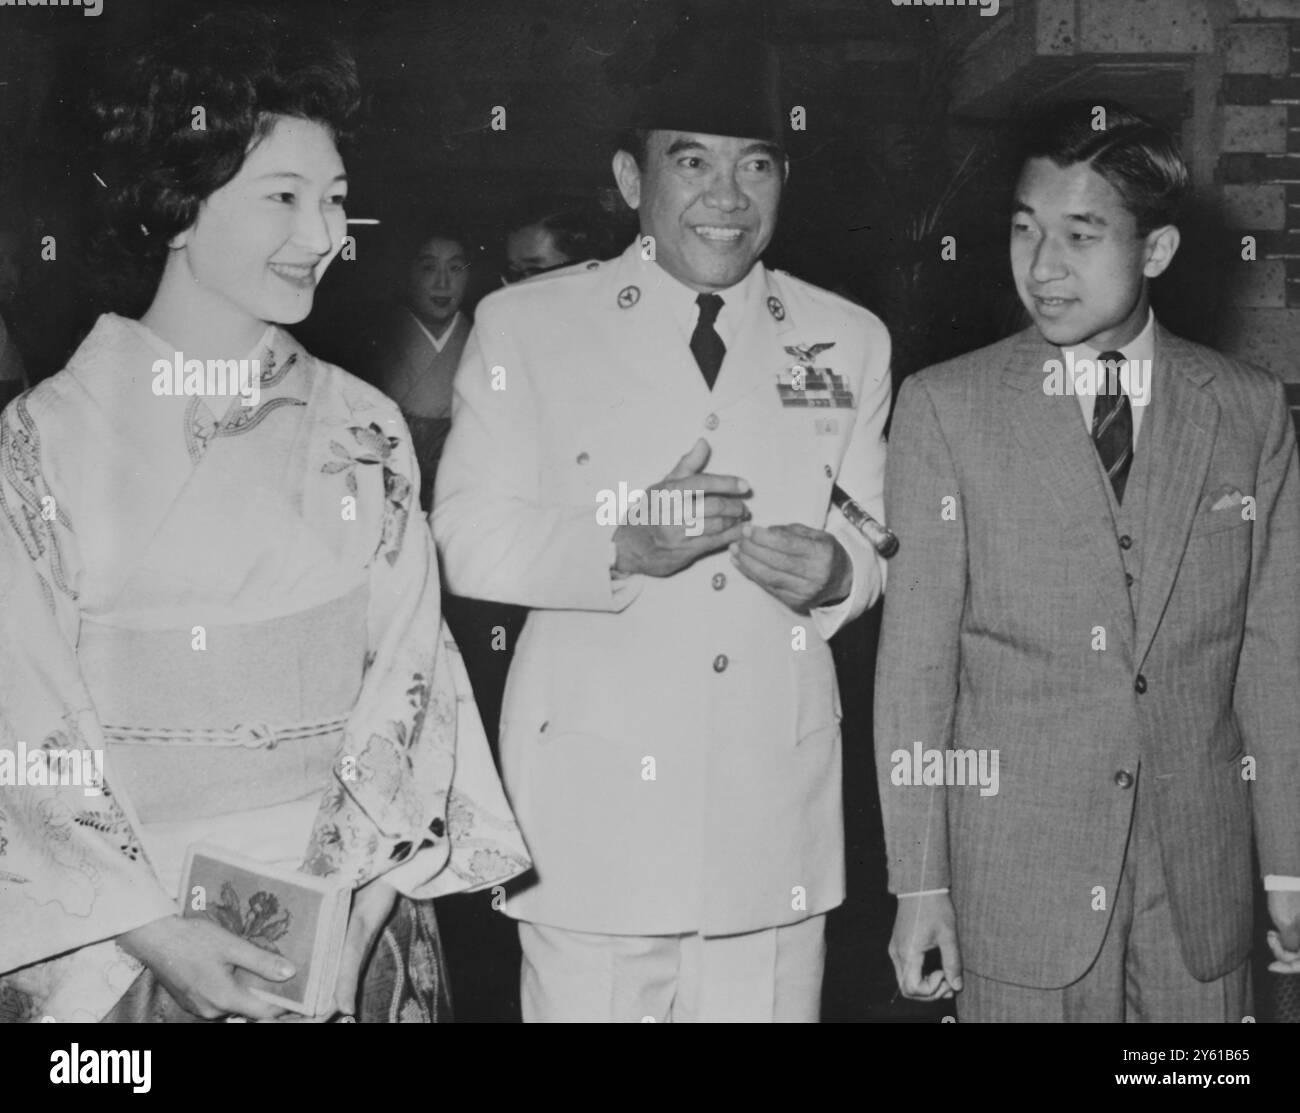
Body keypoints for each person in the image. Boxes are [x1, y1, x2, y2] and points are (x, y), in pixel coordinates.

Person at [0, 10, 528, 1024]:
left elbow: (413, 685)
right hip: (119, 945)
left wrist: (349, 922)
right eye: (283, 197)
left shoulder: (363, 424)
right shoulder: (46, 439)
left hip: (347, 915)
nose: (326, 236)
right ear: (179, 205)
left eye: (334, 201)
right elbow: (18, 718)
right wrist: (157, 936)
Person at [433, 29, 891, 1022]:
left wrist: (836, 574)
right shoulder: (531, 329)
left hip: (773, 818)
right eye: (692, 162)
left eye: (755, 165)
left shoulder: (847, 338)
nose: (726, 198)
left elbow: (875, 538)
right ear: (628, 177)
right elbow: (464, 533)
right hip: (594, 818)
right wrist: (620, 547)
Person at [874, 101, 1300, 1022]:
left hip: (1200, 893)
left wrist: (1288, 861)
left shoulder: (1248, 408)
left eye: (1081, 233)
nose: (1042, 266)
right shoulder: (946, 407)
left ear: (1155, 251)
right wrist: (919, 885)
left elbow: (1275, 654)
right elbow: (915, 666)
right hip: (1015, 890)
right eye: (1026, 230)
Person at [362, 228, 474, 512]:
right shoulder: (371, 342)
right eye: (428, 268)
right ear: (406, 274)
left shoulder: (483, 339)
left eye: (456, 268)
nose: (443, 283)